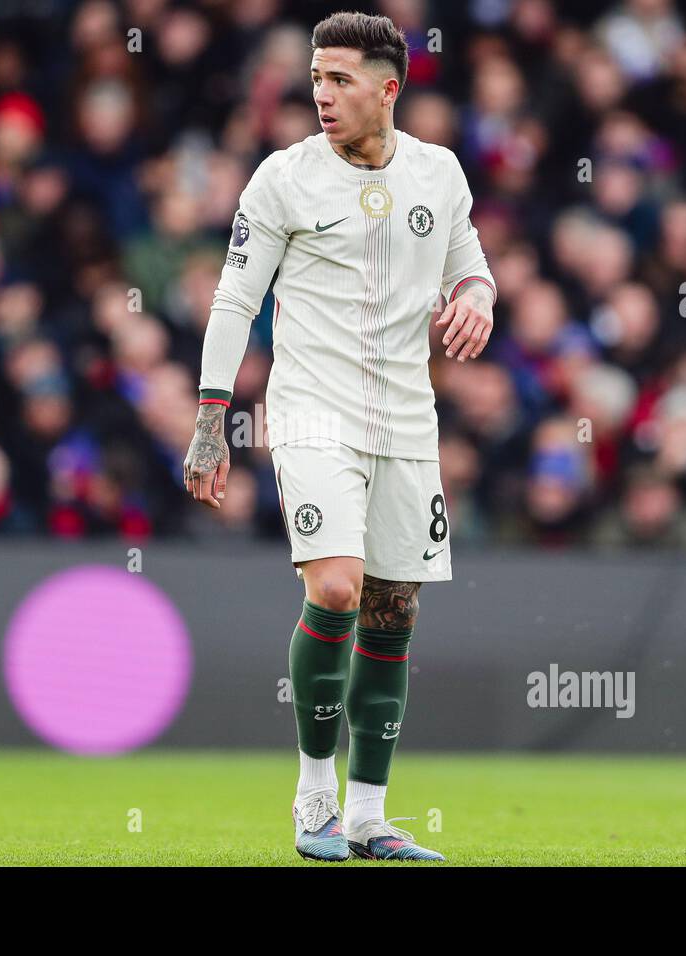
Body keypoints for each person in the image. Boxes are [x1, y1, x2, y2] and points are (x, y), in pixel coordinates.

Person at [182, 12, 495, 861]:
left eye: (340, 79)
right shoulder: (283, 180)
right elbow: (234, 301)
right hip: (312, 411)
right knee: (337, 590)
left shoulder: (439, 173)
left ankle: (367, 815)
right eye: (316, 78)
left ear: (389, 88)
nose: (321, 93)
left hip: (406, 418)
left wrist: (476, 300)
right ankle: (313, 795)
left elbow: (472, 265)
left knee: (394, 612)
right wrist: (211, 422)